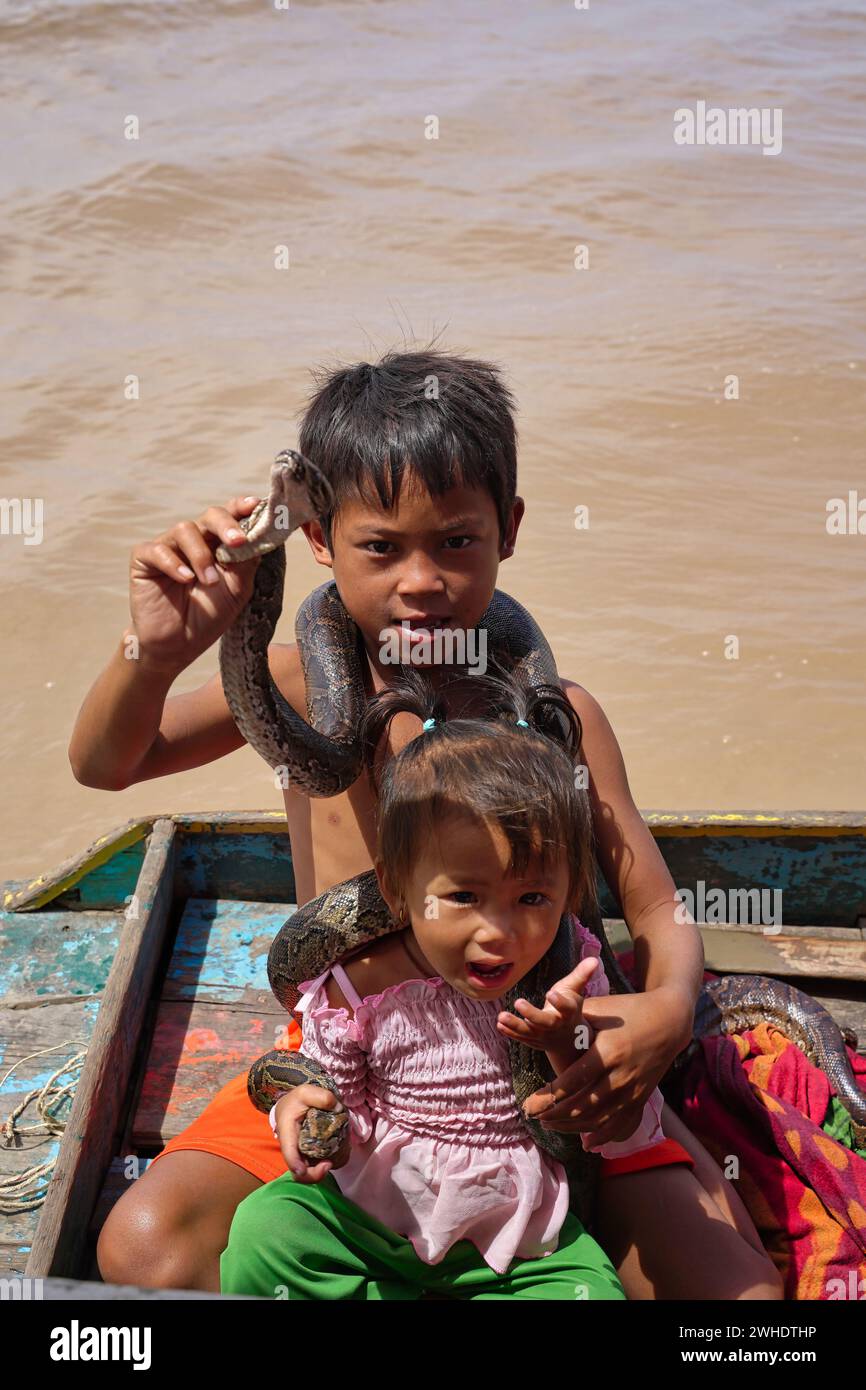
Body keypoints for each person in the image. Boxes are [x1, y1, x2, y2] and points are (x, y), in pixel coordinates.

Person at [73, 346, 782, 1298]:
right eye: (382, 547)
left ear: (510, 530)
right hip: (357, 1048)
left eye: (456, 541)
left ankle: (531, 1225)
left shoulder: (557, 714)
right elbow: (106, 764)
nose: (421, 581)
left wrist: (659, 1014)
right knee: (144, 1250)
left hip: (544, 1044)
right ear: (318, 538)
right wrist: (150, 651)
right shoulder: (291, 687)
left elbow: (659, 913)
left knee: (739, 1304)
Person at [220, 669, 685, 1300]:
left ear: (569, 895)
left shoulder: (572, 982)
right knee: (264, 1230)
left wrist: (567, 1043)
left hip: (516, 1242)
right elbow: (331, 1095)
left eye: (532, 898)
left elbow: (617, 1133)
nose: (497, 933)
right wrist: (300, 1104)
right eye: (463, 897)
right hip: (373, 1220)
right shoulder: (357, 991)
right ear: (395, 892)